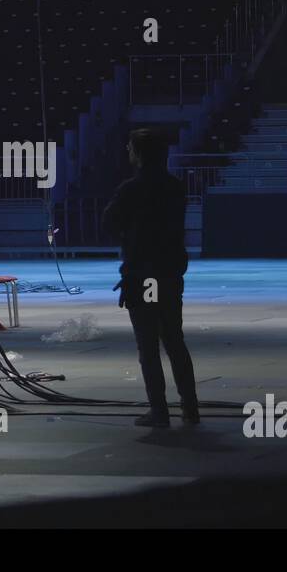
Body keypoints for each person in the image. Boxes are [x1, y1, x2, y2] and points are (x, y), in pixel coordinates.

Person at [102, 128, 199, 427]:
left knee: (148, 345)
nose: (127, 152)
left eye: (130, 148)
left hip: (143, 276)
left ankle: (159, 410)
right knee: (174, 341)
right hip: (169, 272)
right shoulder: (175, 187)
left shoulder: (131, 189)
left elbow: (109, 222)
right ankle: (190, 407)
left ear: (140, 154)